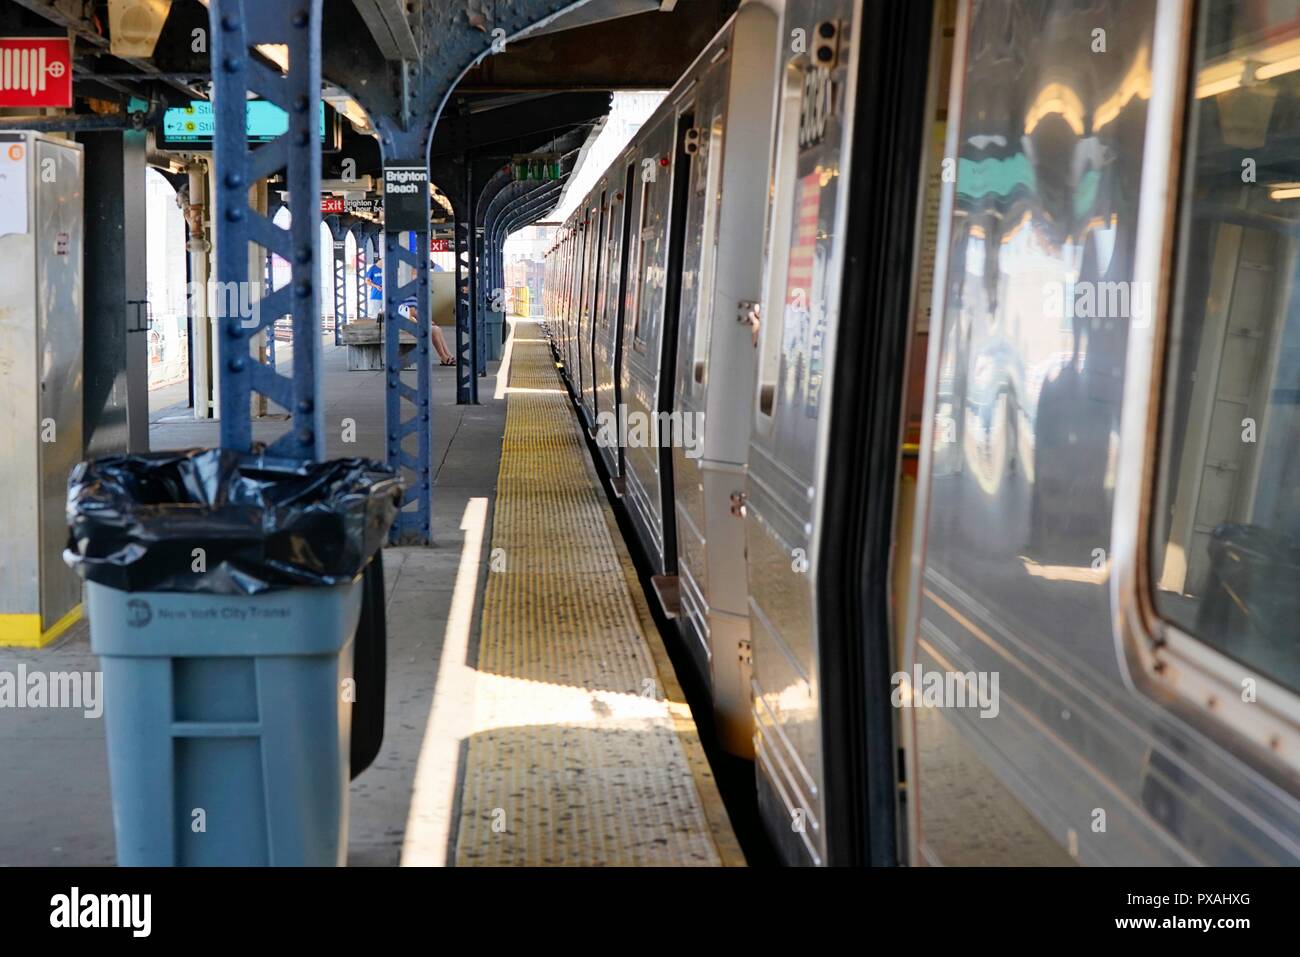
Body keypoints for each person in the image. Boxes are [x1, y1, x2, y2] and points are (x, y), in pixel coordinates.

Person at [397, 296, 455, 366]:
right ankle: (443, 357)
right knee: (435, 330)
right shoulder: (411, 297)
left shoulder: (413, 297)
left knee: (438, 329)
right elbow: (412, 313)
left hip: (412, 324)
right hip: (409, 326)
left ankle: (448, 355)